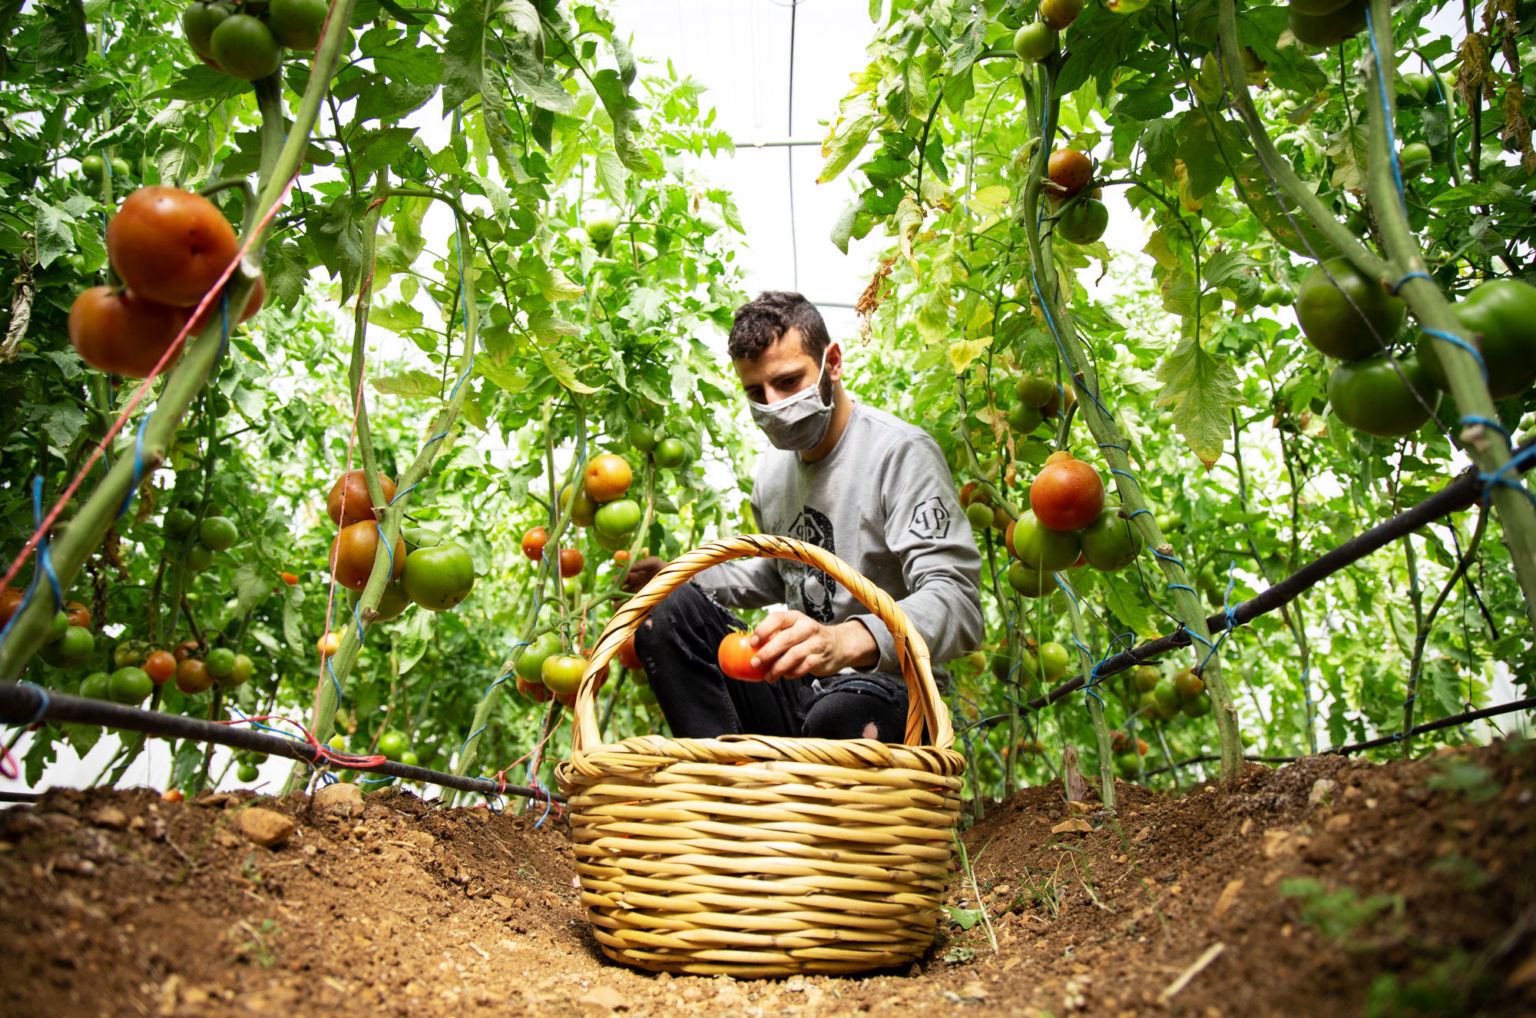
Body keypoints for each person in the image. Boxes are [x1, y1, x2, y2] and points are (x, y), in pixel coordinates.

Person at [626, 291, 983, 743]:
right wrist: (685, 579)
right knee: (668, 612)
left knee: (841, 712)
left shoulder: (899, 454)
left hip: (889, 696)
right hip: (804, 692)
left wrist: (845, 640)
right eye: (756, 392)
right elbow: (781, 574)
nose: (773, 403)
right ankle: (723, 777)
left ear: (832, 362)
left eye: (789, 381)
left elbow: (957, 601)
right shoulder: (773, 474)